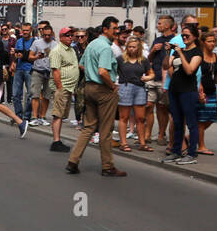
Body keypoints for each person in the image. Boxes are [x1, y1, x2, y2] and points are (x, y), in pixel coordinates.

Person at [66, 16, 126, 177]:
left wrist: (91, 74)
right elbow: (103, 71)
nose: (117, 31)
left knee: (88, 127)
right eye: (114, 28)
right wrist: (112, 85)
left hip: (89, 87)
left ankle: (73, 160)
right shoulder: (106, 48)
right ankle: (107, 166)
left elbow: (82, 64)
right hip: (103, 90)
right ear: (105, 29)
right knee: (106, 130)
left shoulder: (92, 44)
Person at [164, 24, 203, 164]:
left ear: (195, 37)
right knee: (177, 122)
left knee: (191, 123)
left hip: (188, 91)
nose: (184, 37)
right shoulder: (176, 52)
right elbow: (165, 66)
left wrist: (180, 53)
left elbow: (189, 70)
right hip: (174, 90)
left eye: (187, 35)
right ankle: (176, 151)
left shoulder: (197, 53)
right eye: (183, 35)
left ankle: (192, 153)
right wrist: (168, 52)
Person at [115, 36, 153, 153]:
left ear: (138, 48)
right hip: (125, 86)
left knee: (141, 118)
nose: (131, 49)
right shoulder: (120, 59)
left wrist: (147, 77)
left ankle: (142, 143)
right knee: (124, 117)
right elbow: (113, 71)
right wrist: (115, 84)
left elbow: (151, 73)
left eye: (134, 47)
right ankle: (123, 143)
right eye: (129, 47)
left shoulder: (143, 60)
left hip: (140, 88)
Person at [145, 15, 178, 146]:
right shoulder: (158, 39)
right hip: (155, 76)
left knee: (164, 107)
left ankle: (162, 134)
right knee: (150, 106)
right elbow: (150, 58)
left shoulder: (176, 40)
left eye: (159, 23)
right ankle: (149, 133)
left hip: (167, 79)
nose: (158, 25)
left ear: (167, 26)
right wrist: (153, 50)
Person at [48, 26, 80, 152]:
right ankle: (56, 141)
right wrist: (60, 88)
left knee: (62, 115)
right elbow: (55, 70)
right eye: (67, 35)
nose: (70, 37)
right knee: (58, 114)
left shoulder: (71, 49)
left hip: (69, 87)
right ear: (61, 37)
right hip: (62, 87)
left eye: (72, 35)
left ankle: (58, 140)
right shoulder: (57, 51)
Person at [197, 30, 217, 155]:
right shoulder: (199, 56)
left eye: (214, 41)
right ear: (203, 42)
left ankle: (192, 136)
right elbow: (197, 74)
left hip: (212, 90)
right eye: (210, 41)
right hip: (202, 91)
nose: (212, 44)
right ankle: (201, 145)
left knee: (212, 117)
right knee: (201, 120)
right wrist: (200, 89)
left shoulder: (215, 56)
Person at [28, 22, 56, 125]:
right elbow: (29, 57)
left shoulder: (55, 44)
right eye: (45, 35)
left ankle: (43, 116)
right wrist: (37, 57)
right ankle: (35, 117)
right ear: (42, 33)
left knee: (46, 96)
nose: (47, 37)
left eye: (49, 35)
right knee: (35, 94)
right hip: (37, 71)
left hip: (49, 72)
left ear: (52, 34)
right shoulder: (37, 43)